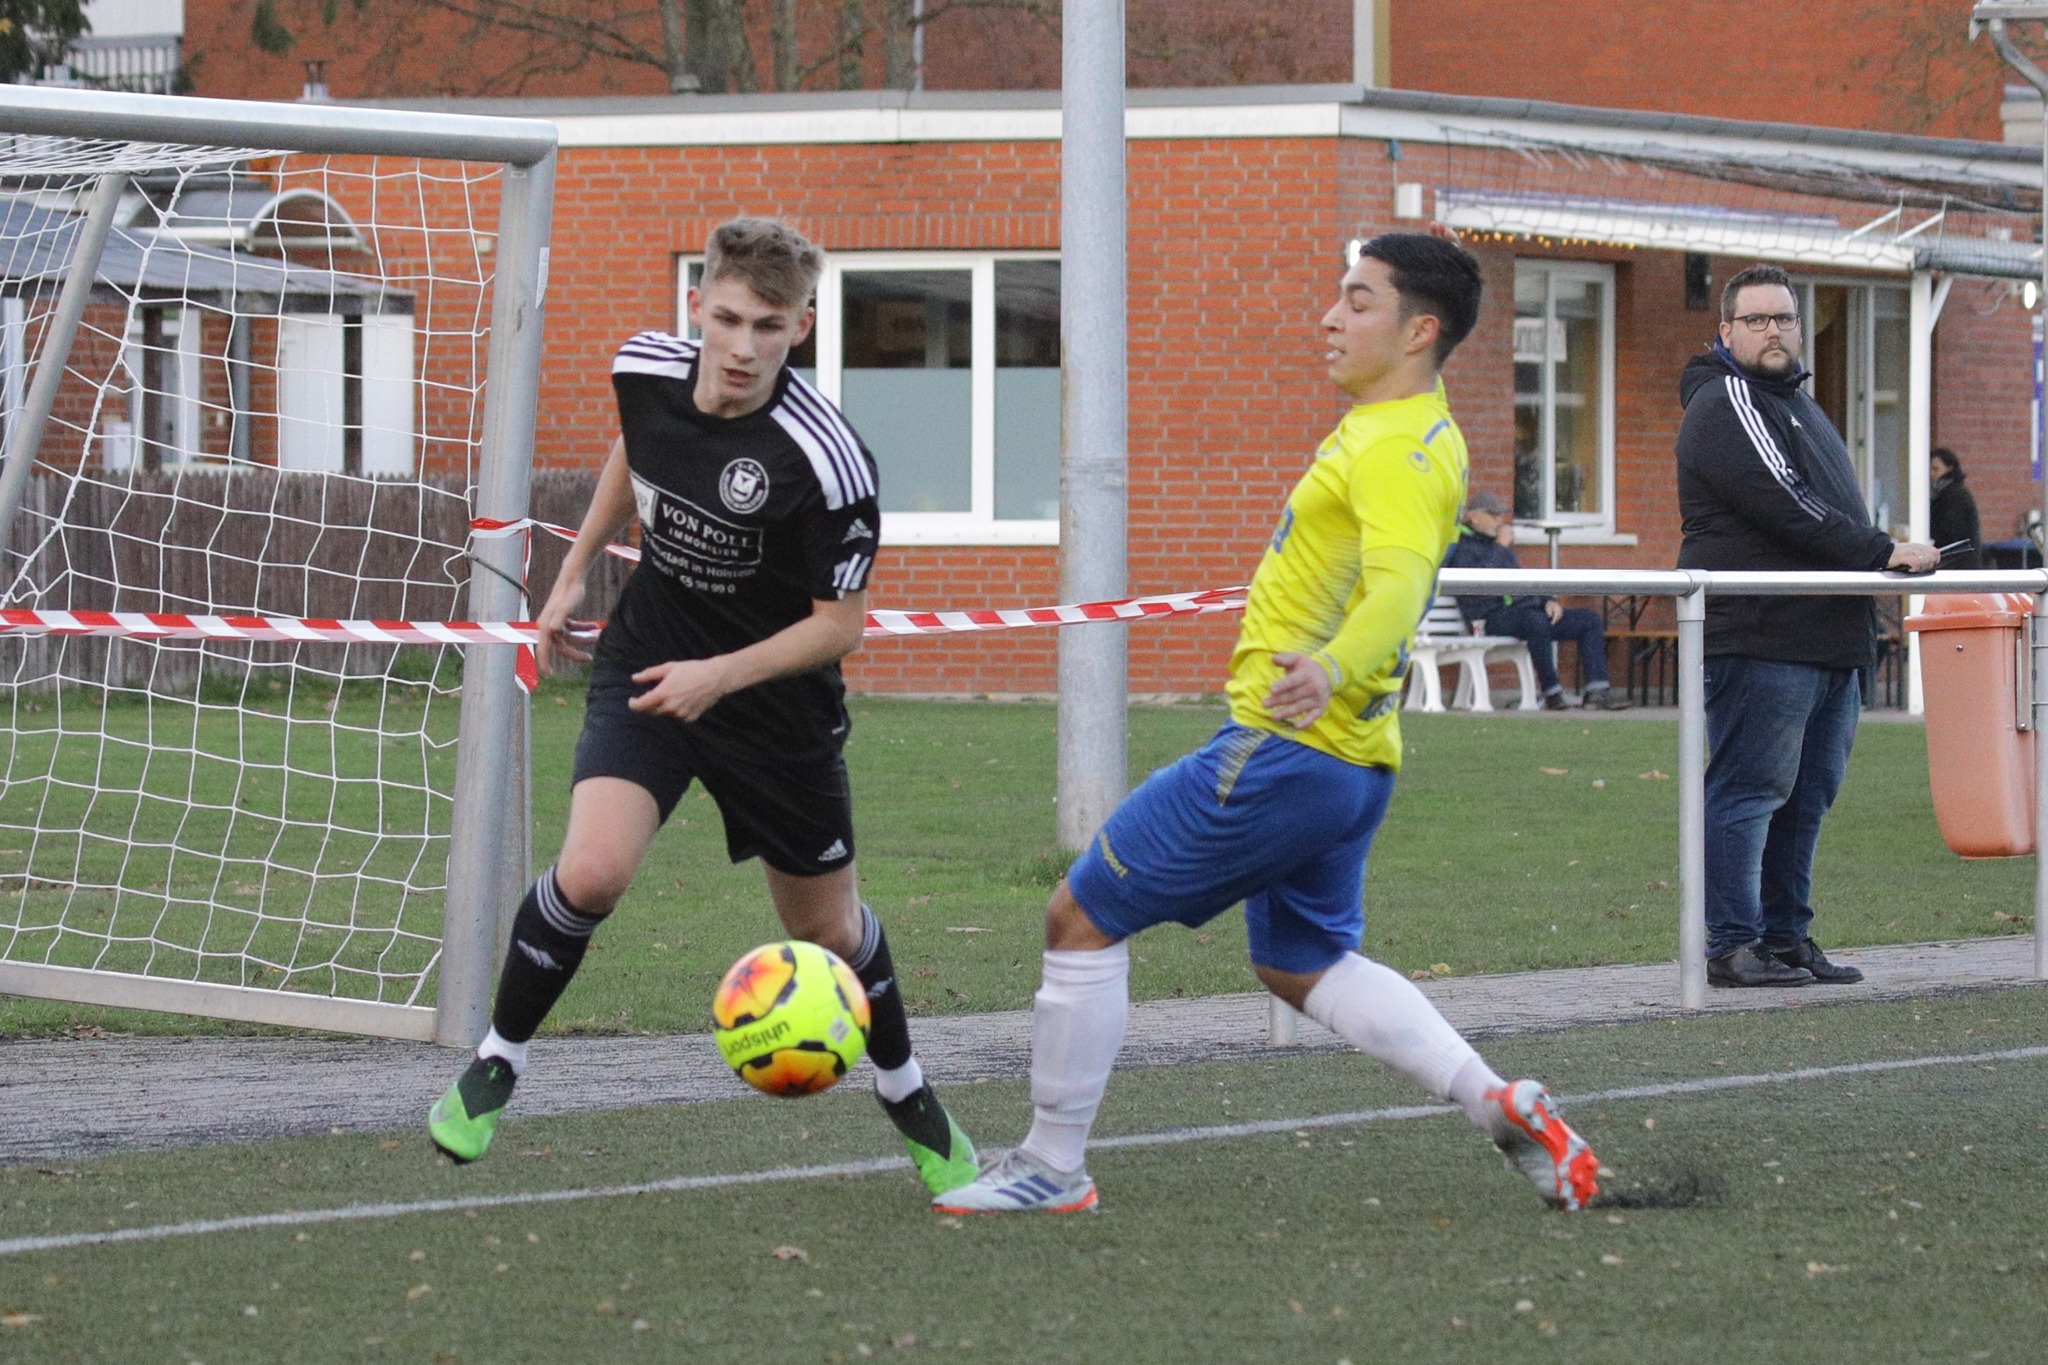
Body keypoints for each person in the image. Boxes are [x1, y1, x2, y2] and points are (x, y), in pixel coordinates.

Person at [936, 233, 1601, 1217]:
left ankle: (1049, 1166)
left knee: (1078, 915)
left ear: (1418, 330)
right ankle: (1494, 1100)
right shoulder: (1404, 431)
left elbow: (1397, 590)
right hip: (1346, 765)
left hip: (1284, 752)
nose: (1330, 318)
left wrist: (1333, 663)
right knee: (1298, 961)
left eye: (1357, 300)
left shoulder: (1397, 451)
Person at [427, 217, 978, 1196]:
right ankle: (495, 1062)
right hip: (650, 662)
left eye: (767, 326)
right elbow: (634, 456)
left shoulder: (828, 459)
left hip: (777, 712)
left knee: (829, 937)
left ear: (799, 328)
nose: (740, 345)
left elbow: (838, 626)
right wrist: (569, 576)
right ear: (695, 308)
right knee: (590, 873)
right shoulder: (643, 367)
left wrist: (718, 677)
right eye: (725, 318)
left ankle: (911, 1095)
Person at [1676, 262, 1940, 989]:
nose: (1773, 330)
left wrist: (1874, 552)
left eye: (1784, 318)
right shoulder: (1728, 399)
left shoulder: (1793, 401)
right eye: (1756, 319)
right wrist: (1882, 551)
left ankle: (1786, 937)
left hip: (1827, 638)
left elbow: (1829, 510)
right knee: (1748, 790)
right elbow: (1786, 505)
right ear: (1725, 330)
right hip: (1763, 636)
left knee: (1806, 797)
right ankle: (1732, 943)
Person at [1442, 490, 1631, 710]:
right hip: (1489, 618)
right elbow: (1480, 582)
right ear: (1473, 516)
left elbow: (1521, 581)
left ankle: (1597, 691)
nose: (1499, 521)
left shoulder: (1496, 546)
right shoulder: (1462, 546)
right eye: (1493, 515)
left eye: (1500, 516)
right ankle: (1552, 693)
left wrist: (1547, 601)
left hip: (1523, 614)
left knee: (1588, 619)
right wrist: (1501, 547)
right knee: (1535, 621)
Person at [1929, 447, 1982, 569]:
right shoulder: (1953, 492)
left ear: (1949, 468)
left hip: (1957, 562)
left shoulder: (1952, 495)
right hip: (1962, 560)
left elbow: (1949, 531)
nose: (1932, 474)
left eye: (1936, 469)